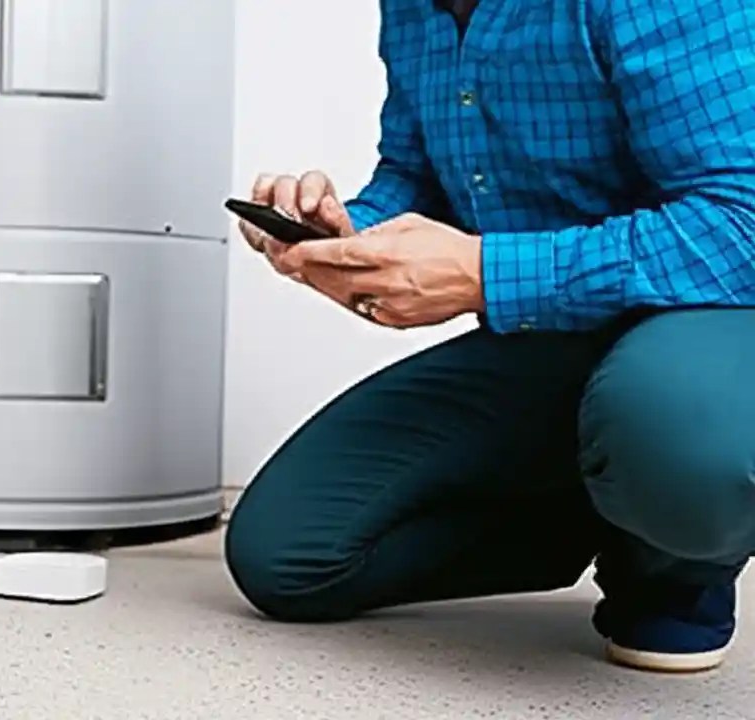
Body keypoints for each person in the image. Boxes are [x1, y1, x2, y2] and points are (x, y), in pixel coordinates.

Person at [224, 0, 755, 674]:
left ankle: (675, 576)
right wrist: (344, 235)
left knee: (689, 451)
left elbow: (743, 226)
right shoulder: (413, 10)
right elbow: (417, 177)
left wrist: (483, 272)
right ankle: (608, 510)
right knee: (287, 556)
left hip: (703, 322)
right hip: (549, 338)